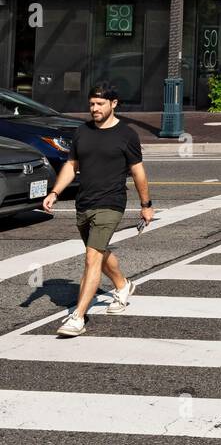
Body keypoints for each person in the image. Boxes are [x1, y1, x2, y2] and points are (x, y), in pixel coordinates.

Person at [41, 83, 152, 338]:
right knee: (98, 252)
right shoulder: (82, 132)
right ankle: (123, 285)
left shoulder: (127, 135)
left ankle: (78, 316)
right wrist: (55, 192)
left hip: (111, 203)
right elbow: (72, 165)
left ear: (113, 104)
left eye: (100, 104)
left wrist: (146, 205)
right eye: (91, 104)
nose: (94, 109)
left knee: (91, 258)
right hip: (85, 202)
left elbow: (138, 171)